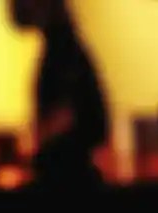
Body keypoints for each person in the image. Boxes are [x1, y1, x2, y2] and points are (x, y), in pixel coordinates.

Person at [11, 0, 110, 187]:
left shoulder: (62, 51)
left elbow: (67, 115)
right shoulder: (64, 48)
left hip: (66, 179)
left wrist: (28, 141)